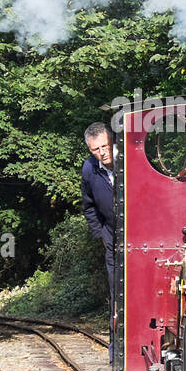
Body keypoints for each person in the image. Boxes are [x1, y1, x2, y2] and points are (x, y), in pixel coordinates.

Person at [80, 122, 116, 300]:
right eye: (96, 149)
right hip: (111, 235)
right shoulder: (89, 169)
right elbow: (88, 205)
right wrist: (100, 234)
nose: (102, 152)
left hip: (142, 234)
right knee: (116, 288)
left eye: (105, 146)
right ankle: (115, 327)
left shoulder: (130, 160)